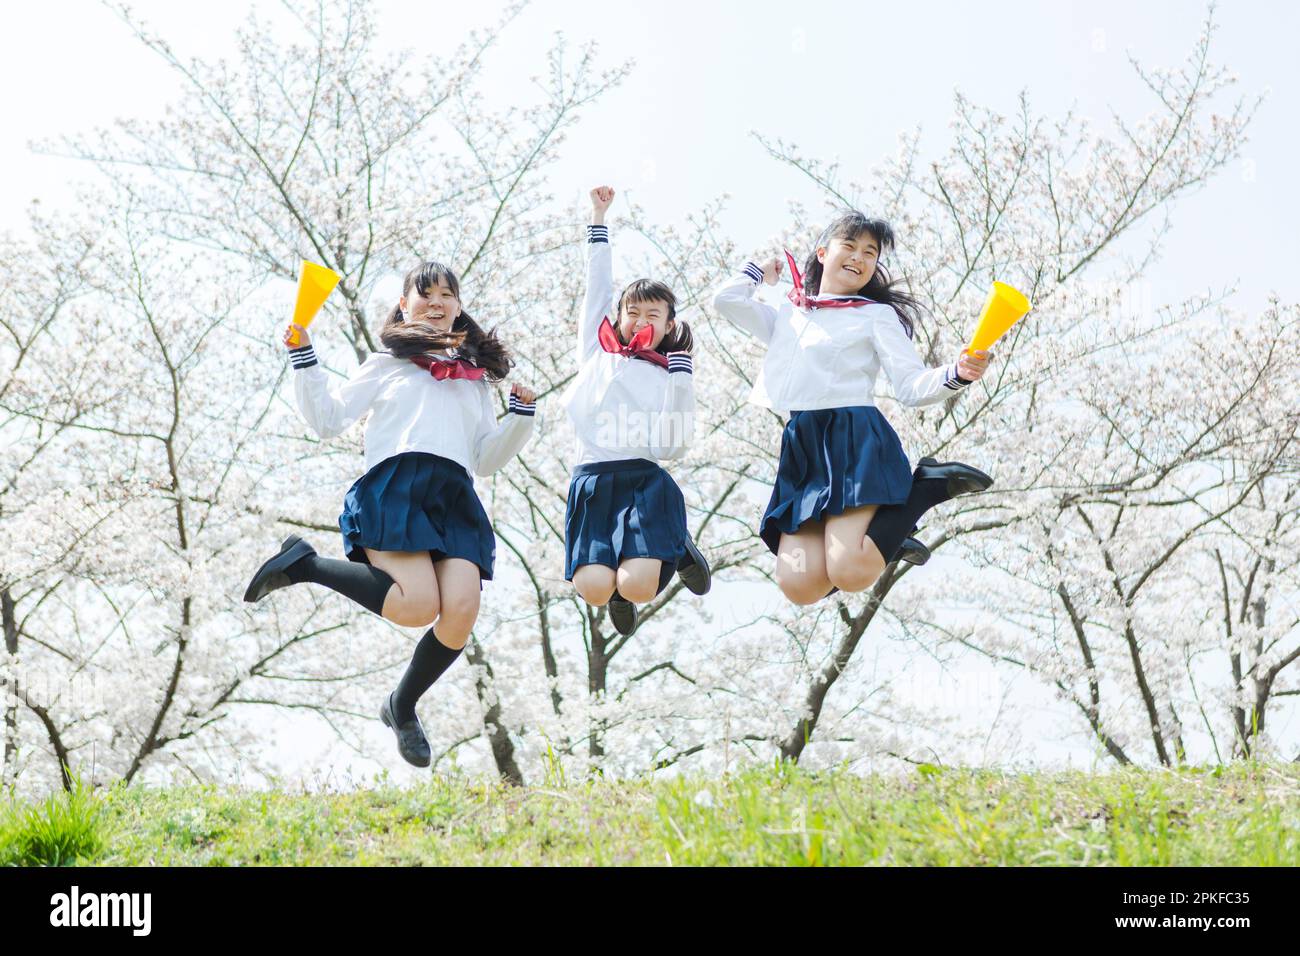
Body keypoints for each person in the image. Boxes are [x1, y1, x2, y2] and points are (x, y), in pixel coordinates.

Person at [244, 261, 537, 767]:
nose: (437, 302)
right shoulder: (386, 365)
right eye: (425, 294)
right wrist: (304, 355)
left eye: (448, 294)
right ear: (404, 305)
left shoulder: (474, 380)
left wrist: (522, 417)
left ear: (459, 307)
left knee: (461, 611)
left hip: (454, 499)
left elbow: (487, 458)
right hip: (397, 489)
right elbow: (328, 419)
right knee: (416, 606)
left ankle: (401, 706)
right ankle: (305, 565)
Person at [712, 211, 993, 605]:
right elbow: (724, 300)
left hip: (854, 440)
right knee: (799, 586)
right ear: (823, 253)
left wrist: (958, 373)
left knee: (851, 571)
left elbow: (911, 387)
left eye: (870, 252)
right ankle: (888, 535)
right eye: (850, 245)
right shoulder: (788, 316)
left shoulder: (875, 315)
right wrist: (760, 271)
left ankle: (926, 487)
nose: (859, 257)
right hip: (804, 446)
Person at [561, 185, 710, 638]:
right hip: (592, 479)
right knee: (592, 588)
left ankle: (673, 545)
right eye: (633, 312)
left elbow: (673, 446)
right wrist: (598, 220)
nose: (641, 322)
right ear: (619, 316)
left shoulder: (669, 374)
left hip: (644, 480)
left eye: (653, 315)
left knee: (638, 586)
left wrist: (682, 377)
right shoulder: (596, 352)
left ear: (669, 325)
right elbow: (597, 287)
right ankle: (635, 580)